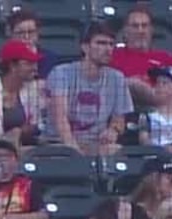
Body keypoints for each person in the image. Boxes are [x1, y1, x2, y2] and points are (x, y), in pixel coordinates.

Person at [45, 23, 134, 156]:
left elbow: (119, 120)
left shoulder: (117, 78)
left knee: (117, 152)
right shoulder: (61, 73)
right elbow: (60, 120)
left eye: (111, 44)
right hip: (58, 143)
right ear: (85, 47)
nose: (108, 49)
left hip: (95, 144)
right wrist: (74, 152)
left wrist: (113, 130)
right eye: (101, 43)